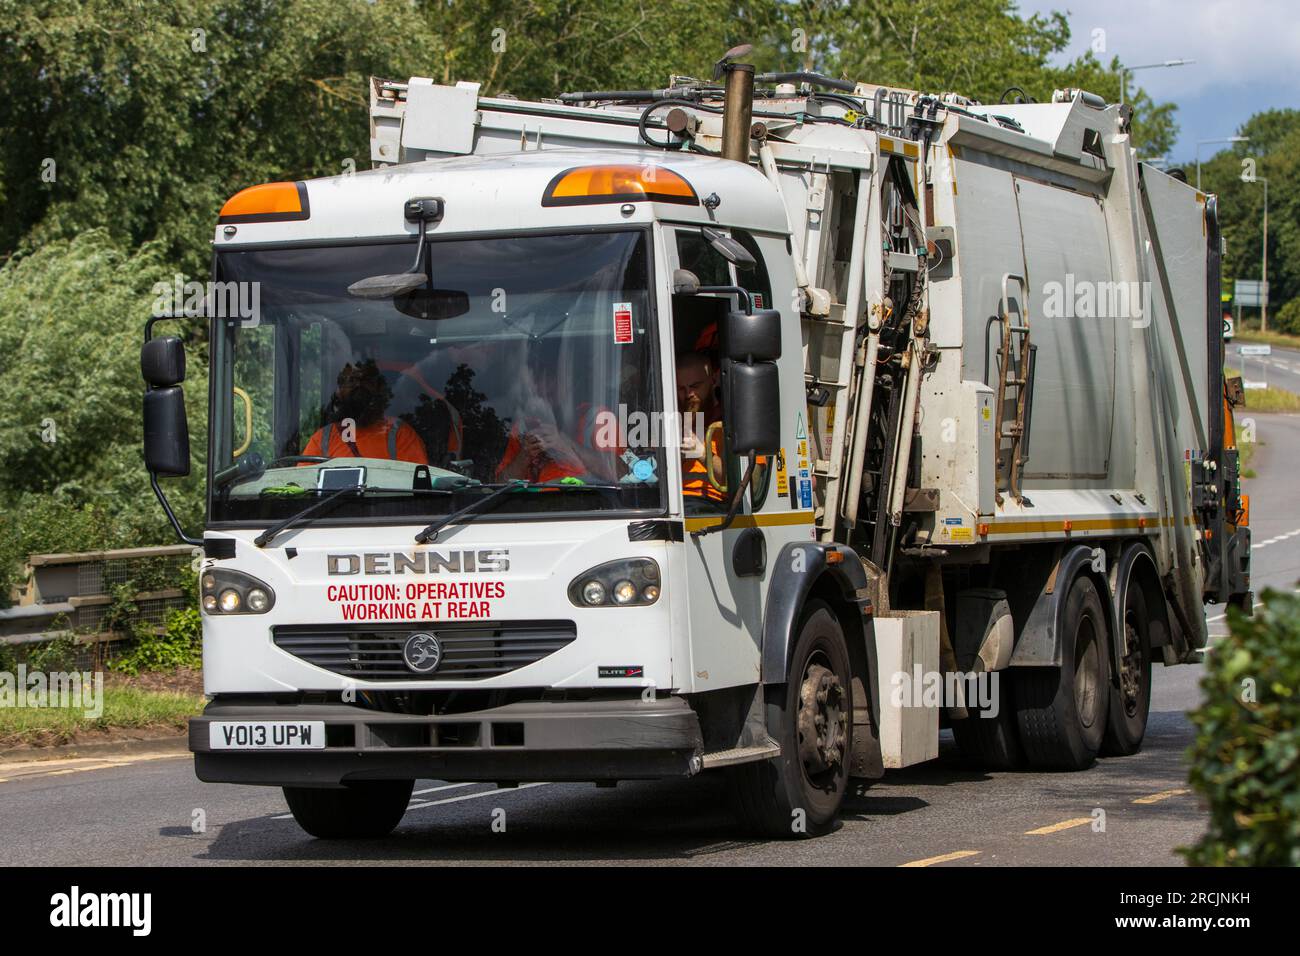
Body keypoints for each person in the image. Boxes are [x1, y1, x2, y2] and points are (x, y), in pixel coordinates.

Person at [302, 359, 427, 464]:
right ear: (339, 392)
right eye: (351, 381)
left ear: (377, 389)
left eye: (365, 381)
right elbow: (302, 486)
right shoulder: (323, 439)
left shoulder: (400, 433)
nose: (358, 385)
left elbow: (417, 485)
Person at [676, 351, 726, 503]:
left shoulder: (732, 421)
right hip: (674, 505)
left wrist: (703, 454)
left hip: (712, 506)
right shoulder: (670, 419)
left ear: (713, 380)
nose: (688, 394)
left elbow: (748, 485)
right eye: (681, 388)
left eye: (695, 386)